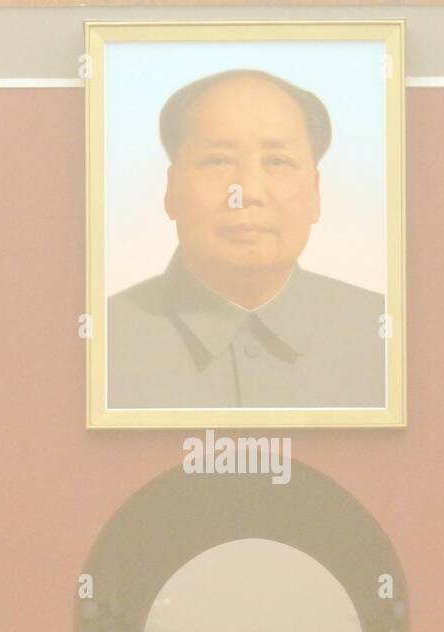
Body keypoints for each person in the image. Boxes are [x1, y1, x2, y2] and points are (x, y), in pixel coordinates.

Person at [107, 69, 386, 409]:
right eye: (218, 161)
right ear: (171, 189)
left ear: (315, 193)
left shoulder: (384, 334)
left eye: (278, 161)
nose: (247, 192)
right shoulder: (103, 341)